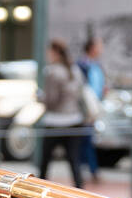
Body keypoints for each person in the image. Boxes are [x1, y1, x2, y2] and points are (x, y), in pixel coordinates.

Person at [37, 38, 85, 189]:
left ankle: (38, 191)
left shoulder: (52, 72)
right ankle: (80, 191)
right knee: (74, 161)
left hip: (55, 121)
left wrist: (39, 97)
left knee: (45, 161)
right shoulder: (75, 70)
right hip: (75, 119)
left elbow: (51, 99)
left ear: (55, 52)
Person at [77, 37, 106, 181]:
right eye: (98, 46)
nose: (101, 49)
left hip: (94, 107)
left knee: (86, 139)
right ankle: (91, 170)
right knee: (86, 139)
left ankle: (86, 169)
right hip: (86, 108)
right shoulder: (82, 65)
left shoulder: (96, 65)